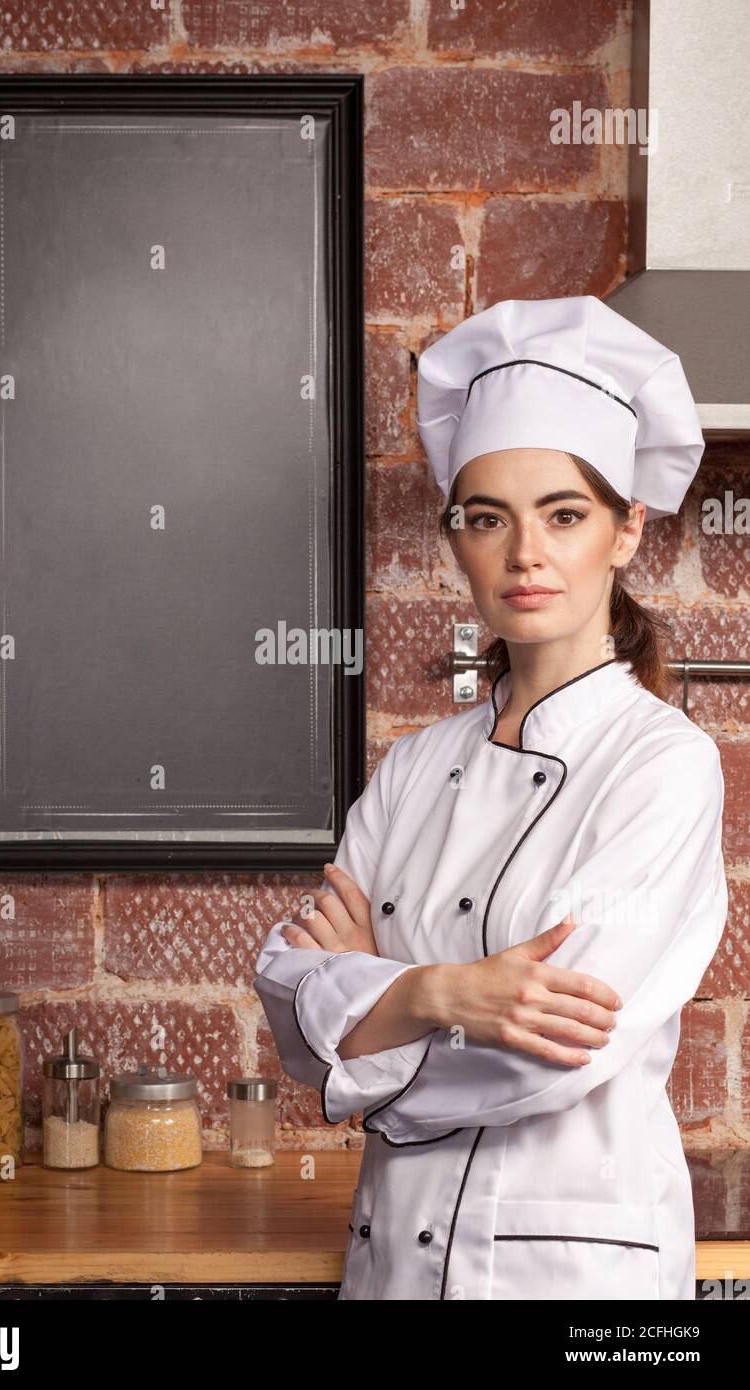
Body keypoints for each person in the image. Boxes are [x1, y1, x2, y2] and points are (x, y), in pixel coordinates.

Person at [253, 295, 728, 1301]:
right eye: (486, 518)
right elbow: (287, 996)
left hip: (572, 1284)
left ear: (626, 528)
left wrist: (370, 996)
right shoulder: (416, 766)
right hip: (389, 1267)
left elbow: (548, 1059)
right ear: (457, 538)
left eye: (564, 514)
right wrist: (441, 993)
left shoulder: (663, 765)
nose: (524, 554)